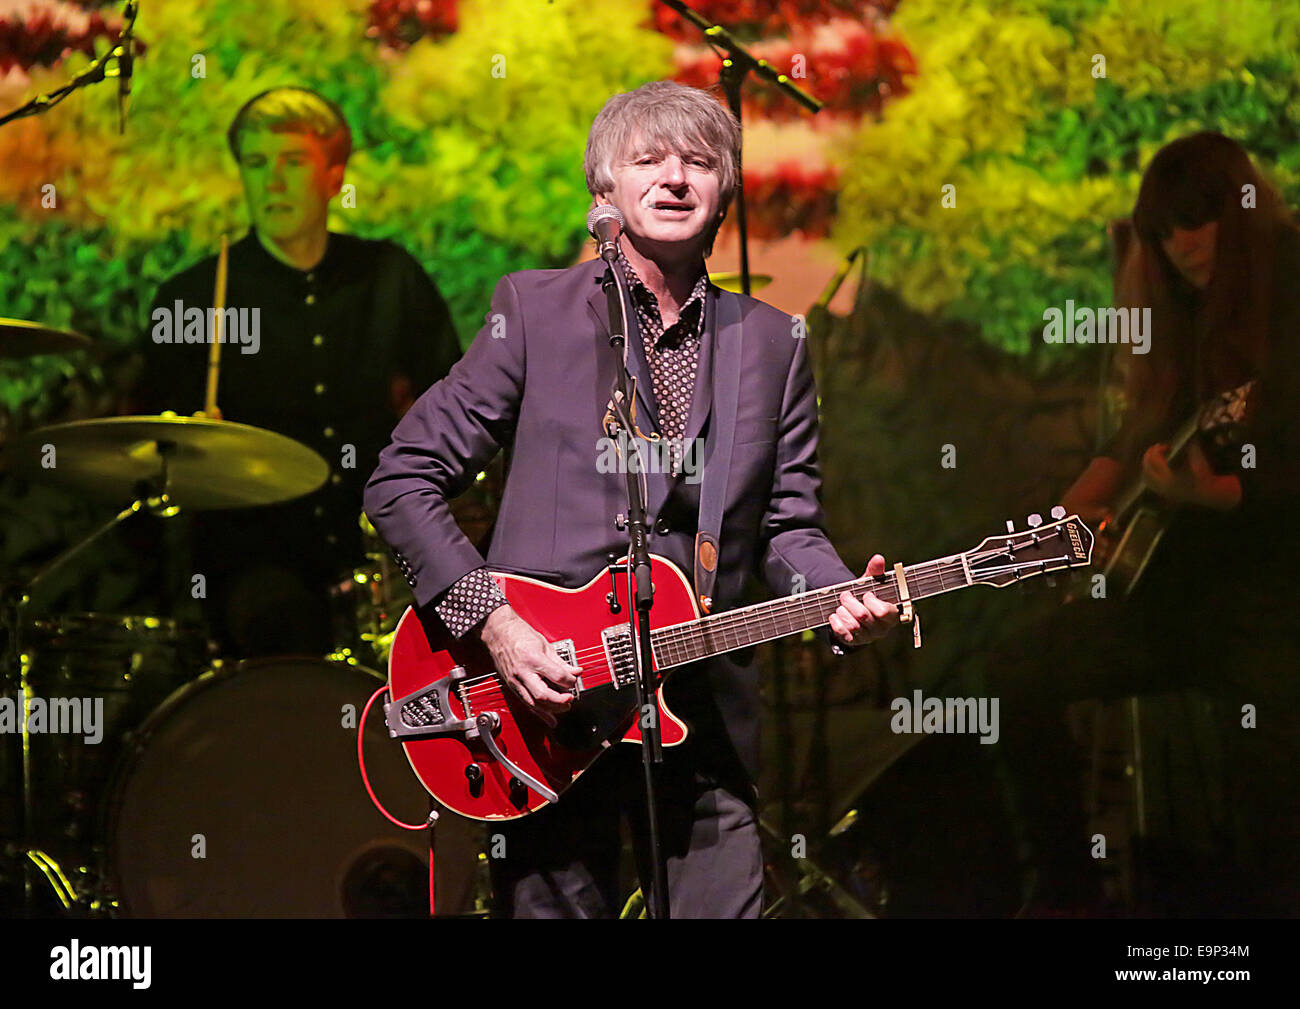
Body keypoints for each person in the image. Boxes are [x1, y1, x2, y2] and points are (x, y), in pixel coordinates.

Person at [364, 80, 900, 918]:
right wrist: (495, 625)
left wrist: (835, 593)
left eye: (700, 161)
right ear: (604, 190)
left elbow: (790, 525)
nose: (675, 177)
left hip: (699, 714)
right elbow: (401, 478)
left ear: (725, 194)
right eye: (648, 159)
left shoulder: (772, 344)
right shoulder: (532, 312)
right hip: (537, 711)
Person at [991, 132, 1300, 915]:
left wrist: (1218, 495)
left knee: (1265, 814)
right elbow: (1145, 430)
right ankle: (1064, 891)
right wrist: (1072, 514)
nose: (1180, 245)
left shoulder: (1290, 288)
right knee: (1012, 671)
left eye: (1197, 222)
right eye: (1164, 232)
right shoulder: (1182, 310)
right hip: (1179, 590)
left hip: (1275, 599)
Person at [134, 86, 461, 657]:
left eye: (293, 162)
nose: (273, 182)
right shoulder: (193, 300)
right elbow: (148, 450)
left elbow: (458, 409)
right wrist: (191, 440)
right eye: (257, 164)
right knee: (280, 635)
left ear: (335, 176)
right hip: (258, 561)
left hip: (387, 547)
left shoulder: (389, 277)